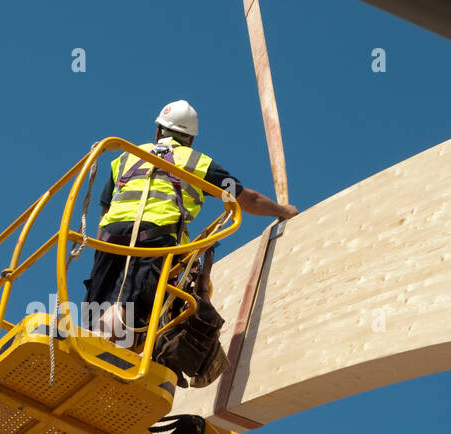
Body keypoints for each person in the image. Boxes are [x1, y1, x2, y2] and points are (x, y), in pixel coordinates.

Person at [82, 100, 299, 345]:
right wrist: (282, 210)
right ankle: (105, 345)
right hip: (155, 238)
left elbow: (105, 209)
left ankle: (87, 344)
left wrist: (104, 248)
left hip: (111, 238)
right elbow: (248, 200)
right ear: (191, 139)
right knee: (130, 302)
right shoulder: (199, 163)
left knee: (98, 302)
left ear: (157, 132)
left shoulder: (126, 156)